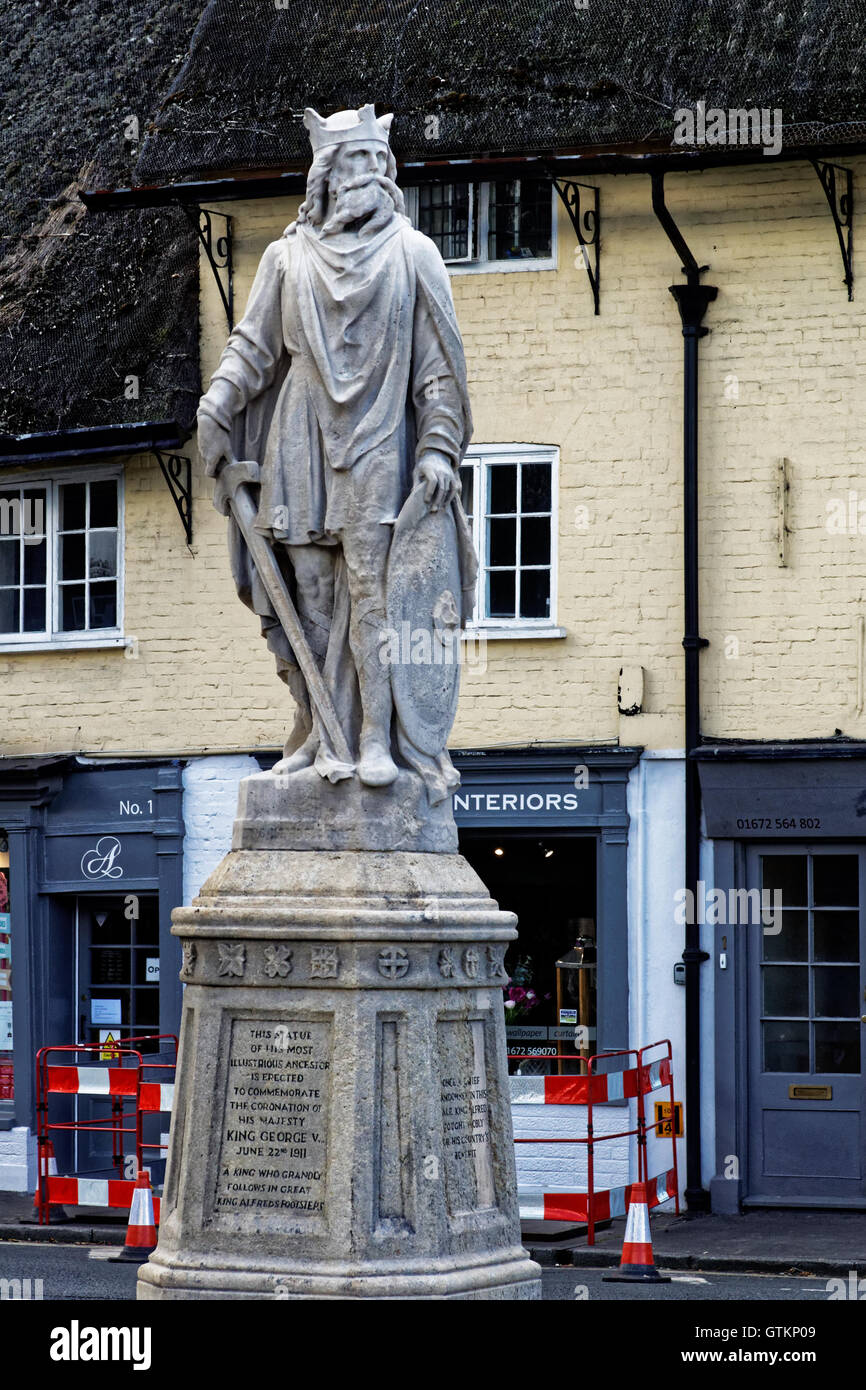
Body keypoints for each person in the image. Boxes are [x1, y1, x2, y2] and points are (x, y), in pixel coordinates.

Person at [198, 104, 474, 799]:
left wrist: (438, 448)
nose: (365, 175)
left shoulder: (414, 255)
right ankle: (322, 731)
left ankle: (377, 739)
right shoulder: (287, 258)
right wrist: (219, 402)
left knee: (374, 595)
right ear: (324, 176)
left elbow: (438, 369)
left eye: (374, 163)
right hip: (301, 441)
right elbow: (253, 348)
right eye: (350, 163)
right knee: (311, 597)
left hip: (381, 438)